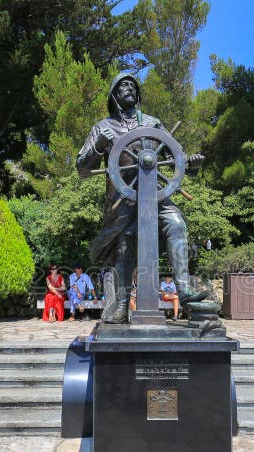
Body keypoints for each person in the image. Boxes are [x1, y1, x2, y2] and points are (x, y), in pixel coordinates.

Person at [76, 73, 209, 324]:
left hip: (155, 195)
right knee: (125, 246)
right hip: (122, 201)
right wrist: (97, 147)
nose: (128, 88)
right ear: (114, 95)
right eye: (122, 85)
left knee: (176, 222)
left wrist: (192, 164)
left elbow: (177, 159)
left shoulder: (152, 123)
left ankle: (184, 289)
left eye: (132, 85)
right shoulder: (103, 128)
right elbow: (82, 170)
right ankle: (122, 305)